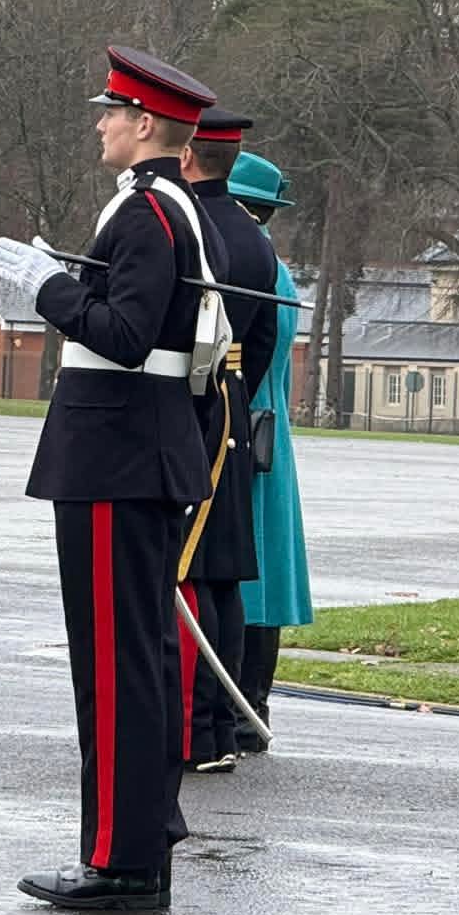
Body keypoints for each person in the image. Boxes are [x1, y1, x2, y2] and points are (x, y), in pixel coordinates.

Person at [0, 46, 219, 912]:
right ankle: (136, 843)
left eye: (112, 113)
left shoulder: (149, 210)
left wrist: (49, 288)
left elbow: (124, 337)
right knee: (134, 656)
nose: (102, 125)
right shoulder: (161, 205)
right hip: (128, 452)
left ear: (145, 123)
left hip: (116, 453)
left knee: (116, 663)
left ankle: (121, 858)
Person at [176, 108, 278, 774]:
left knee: (188, 572)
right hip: (233, 402)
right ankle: (220, 726)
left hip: (192, 405)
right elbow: (260, 342)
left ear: (187, 154)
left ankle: (196, 728)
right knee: (222, 576)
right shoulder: (253, 237)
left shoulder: (186, 225)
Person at [226, 151, 314, 752]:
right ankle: (253, 703)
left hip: (243, 427)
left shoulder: (245, 266)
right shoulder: (276, 268)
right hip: (270, 431)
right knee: (267, 571)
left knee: (242, 571)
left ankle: (238, 708)